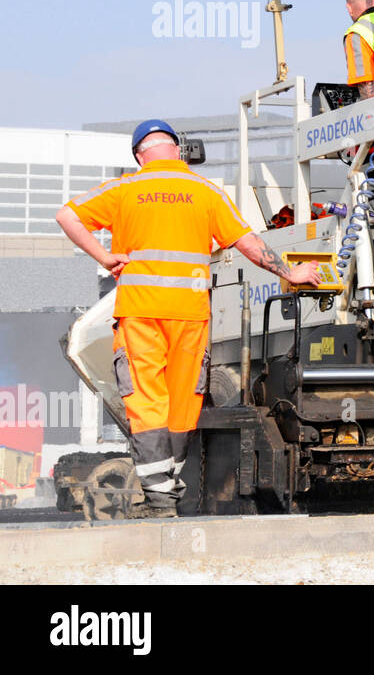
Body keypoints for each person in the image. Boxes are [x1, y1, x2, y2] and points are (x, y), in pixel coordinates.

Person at [55, 120, 321, 517]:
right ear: (177, 151)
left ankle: (161, 501)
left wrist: (105, 257)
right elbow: (247, 242)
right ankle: (166, 494)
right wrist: (290, 274)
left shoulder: (125, 189)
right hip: (191, 317)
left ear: (139, 156)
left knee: (148, 403)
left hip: (142, 313)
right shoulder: (206, 191)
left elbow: (66, 217)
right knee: (183, 407)